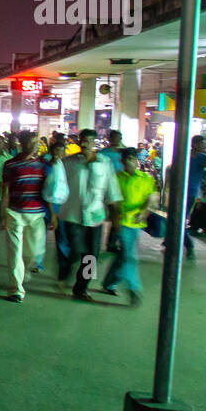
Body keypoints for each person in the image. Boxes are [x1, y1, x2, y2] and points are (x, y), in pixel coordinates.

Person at [61, 128, 122, 302]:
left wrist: (115, 218)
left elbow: (112, 190)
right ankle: (65, 270)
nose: (85, 144)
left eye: (89, 141)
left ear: (95, 143)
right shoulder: (68, 162)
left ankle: (81, 288)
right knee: (77, 249)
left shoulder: (104, 163)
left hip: (95, 216)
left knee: (92, 256)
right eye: (83, 140)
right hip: (72, 215)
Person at [0, 132, 48, 302]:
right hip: (15, 213)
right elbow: (5, 190)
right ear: (23, 144)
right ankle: (16, 290)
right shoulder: (10, 165)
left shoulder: (43, 165)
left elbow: (50, 190)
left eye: (37, 143)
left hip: (36, 215)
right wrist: (2, 215)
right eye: (32, 142)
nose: (36, 146)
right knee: (15, 252)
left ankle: (24, 270)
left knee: (33, 252)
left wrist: (53, 215)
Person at [102, 148, 154, 307]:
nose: (132, 162)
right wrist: (115, 221)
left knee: (123, 256)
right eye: (128, 159)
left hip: (135, 225)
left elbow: (151, 197)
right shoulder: (116, 178)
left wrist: (144, 211)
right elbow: (112, 202)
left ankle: (108, 282)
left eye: (134, 158)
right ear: (123, 161)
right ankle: (133, 288)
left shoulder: (146, 178)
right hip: (120, 223)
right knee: (129, 257)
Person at [39, 132, 70, 275]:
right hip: (50, 207)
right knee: (43, 236)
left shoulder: (62, 166)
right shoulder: (50, 166)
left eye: (62, 151)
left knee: (62, 239)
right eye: (57, 151)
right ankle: (38, 263)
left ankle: (64, 266)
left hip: (60, 207)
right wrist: (52, 213)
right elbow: (50, 191)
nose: (60, 154)